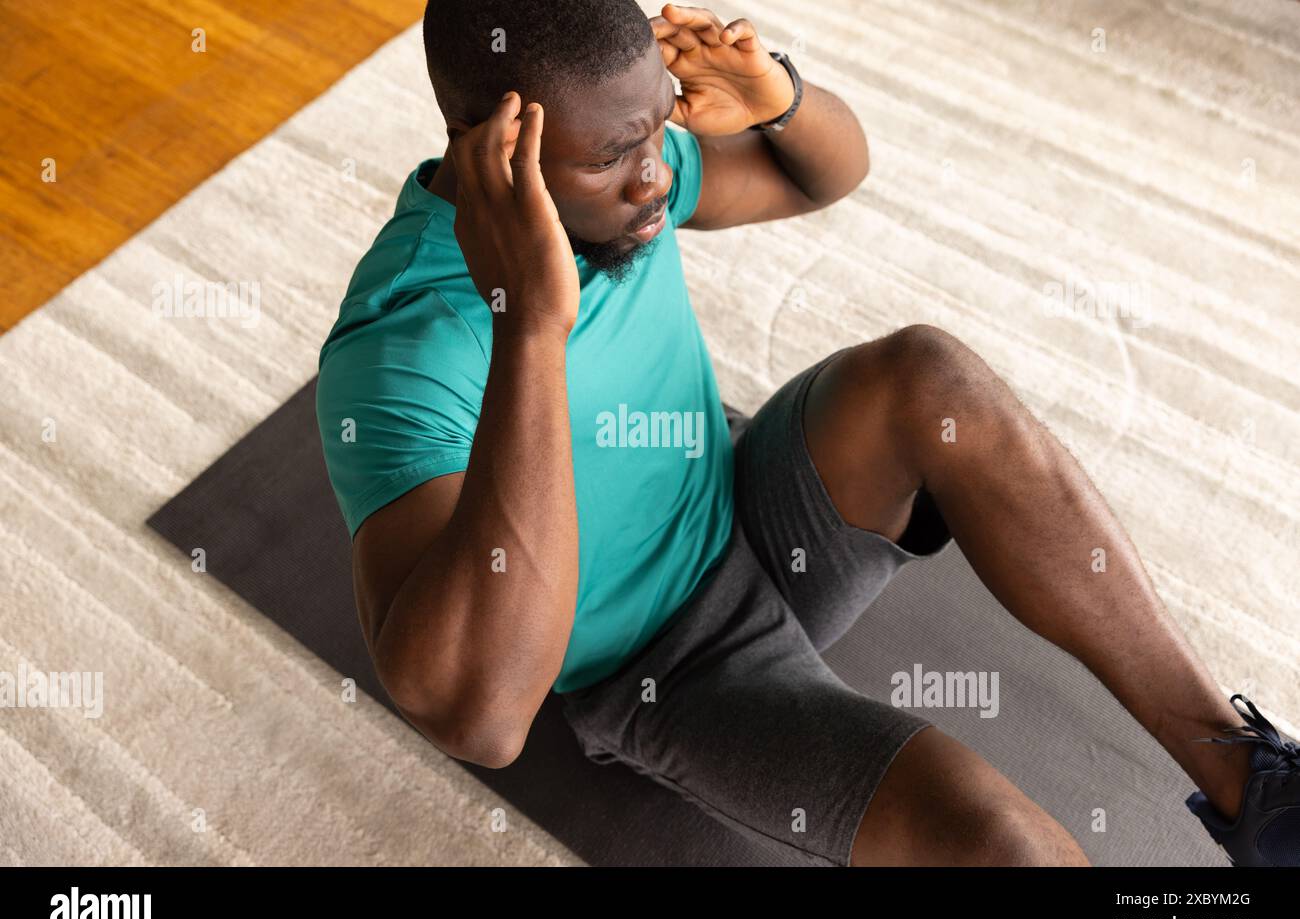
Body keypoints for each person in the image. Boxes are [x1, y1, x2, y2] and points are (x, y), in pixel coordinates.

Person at [315, 0, 1299, 866]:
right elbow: (481, 718)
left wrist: (778, 91)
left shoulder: (621, 177)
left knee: (928, 375)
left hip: (748, 508)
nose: (654, 177)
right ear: (495, 151)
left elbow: (820, 176)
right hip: (665, 674)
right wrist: (529, 318)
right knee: (998, 848)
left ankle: (1251, 789)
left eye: (656, 126)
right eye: (614, 156)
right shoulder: (399, 348)